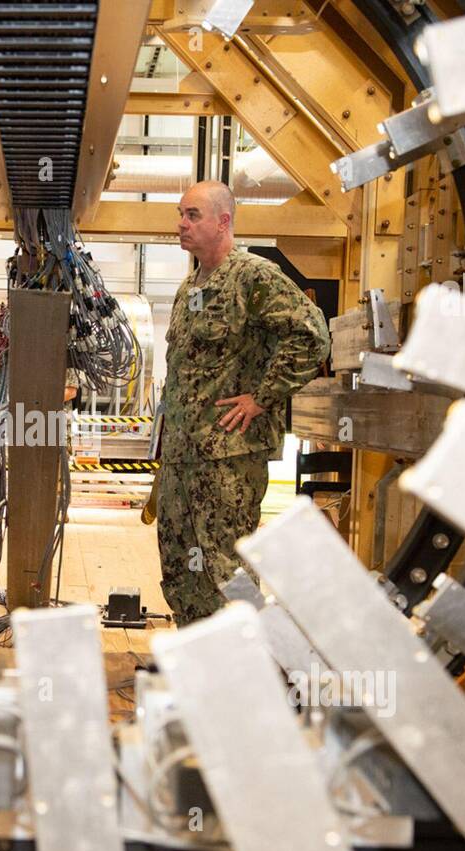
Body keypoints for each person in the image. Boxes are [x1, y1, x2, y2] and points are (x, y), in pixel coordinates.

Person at [157, 180, 331, 626]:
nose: (182, 223)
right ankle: (197, 662)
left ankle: (246, 666)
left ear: (223, 221)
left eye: (192, 214)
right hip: (180, 458)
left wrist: (263, 397)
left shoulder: (253, 277)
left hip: (228, 457)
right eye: (180, 213)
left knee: (225, 567)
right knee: (180, 565)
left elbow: (311, 334)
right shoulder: (189, 289)